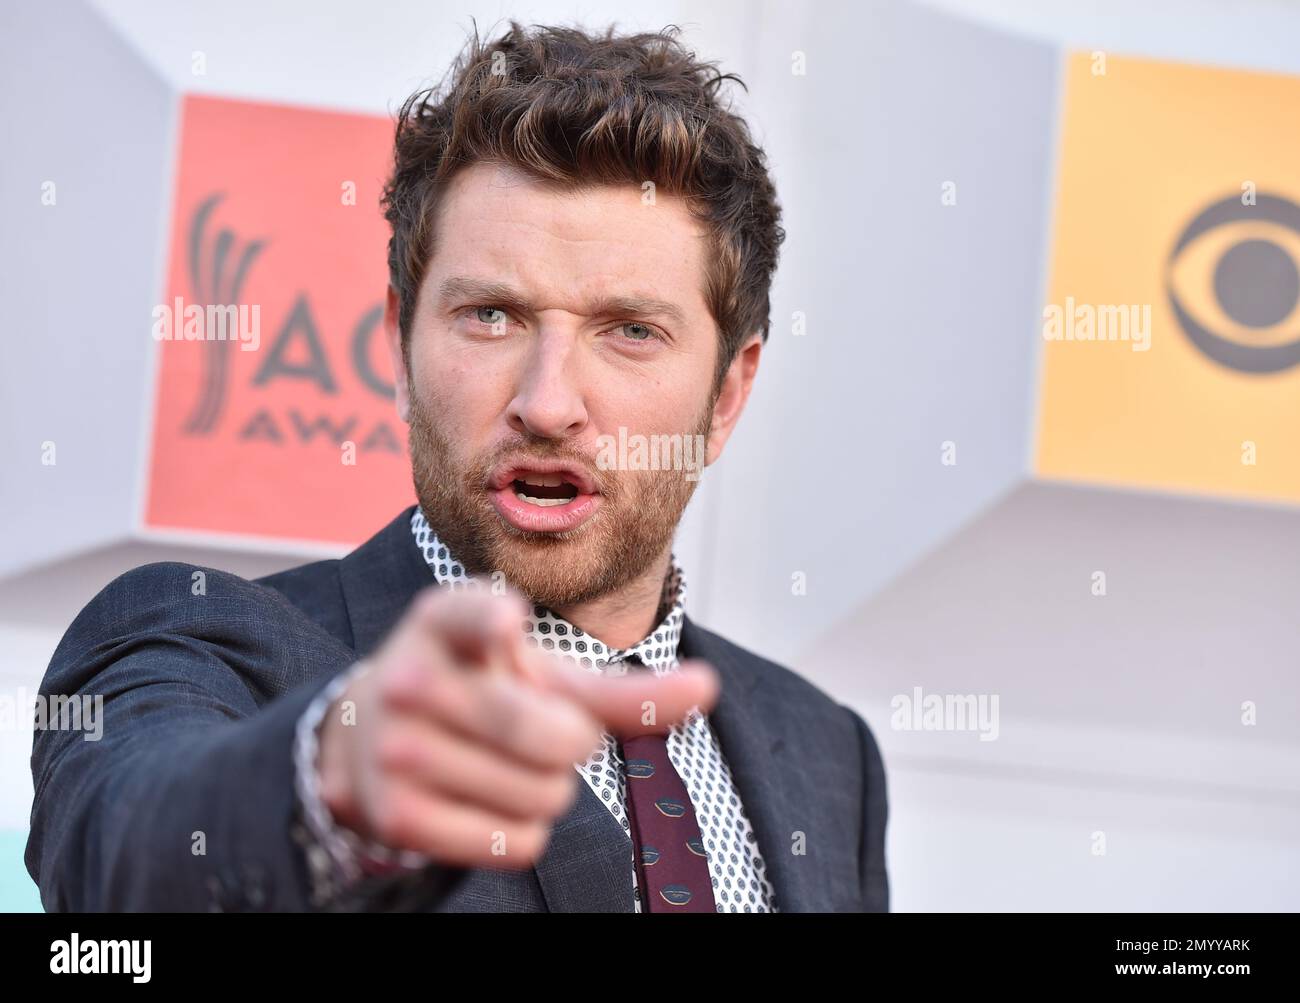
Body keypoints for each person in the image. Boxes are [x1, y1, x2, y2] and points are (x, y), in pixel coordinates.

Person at [26, 21, 888, 913]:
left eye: (631, 330)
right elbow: (126, 852)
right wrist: (330, 794)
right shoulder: (200, 645)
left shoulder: (829, 755)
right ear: (400, 347)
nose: (549, 402)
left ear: (725, 395)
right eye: (491, 316)